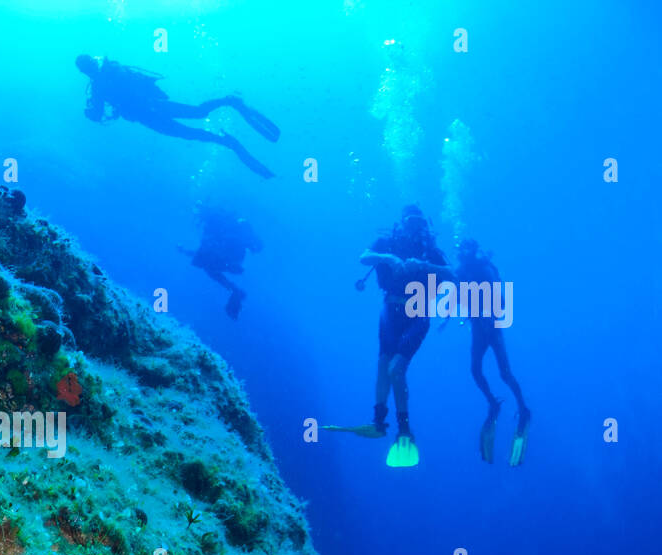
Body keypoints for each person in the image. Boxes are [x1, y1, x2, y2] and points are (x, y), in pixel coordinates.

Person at [325, 205, 450, 467]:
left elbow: (452, 275)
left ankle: (404, 430)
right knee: (383, 365)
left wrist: (424, 264)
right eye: (410, 222)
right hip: (389, 310)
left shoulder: (430, 250)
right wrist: (389, 258)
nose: (414, 228)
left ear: (424, 225)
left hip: (418, 311)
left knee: (396, 369)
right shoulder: (386, 243)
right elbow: (363, 257)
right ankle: (378, 422)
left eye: (419, 222)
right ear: (401, 223)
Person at [75, 55, 279, 179]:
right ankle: (228, 110)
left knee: (192, 127)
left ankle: (227, 126)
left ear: (84, 70)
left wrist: (89, 114)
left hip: (150, 114)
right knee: (196, 118)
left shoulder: (98, 86)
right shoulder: (111, 71)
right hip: (154, 109)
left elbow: (97, 114)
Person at [455, 238, 531, 465]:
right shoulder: (461, 270)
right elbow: (456, 293)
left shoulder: (484, 268)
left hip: (492, 326)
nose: (462, 253)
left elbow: (498, 298)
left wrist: (489, 318)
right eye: (461, 249)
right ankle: (493, 403)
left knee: (505, 373)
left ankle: (523, 409)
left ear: (473, 250)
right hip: (478, 327)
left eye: (466, 249)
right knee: (475, 371)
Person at [178, 210, 261, 319]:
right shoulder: (222, 230)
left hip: (229, 259)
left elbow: (202, 252)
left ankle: (236, 292)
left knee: (209, 268)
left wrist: (185, 251)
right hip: (233, 259)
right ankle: (236, 292)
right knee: (209, 268)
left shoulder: (216, 229)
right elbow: (200, 253)